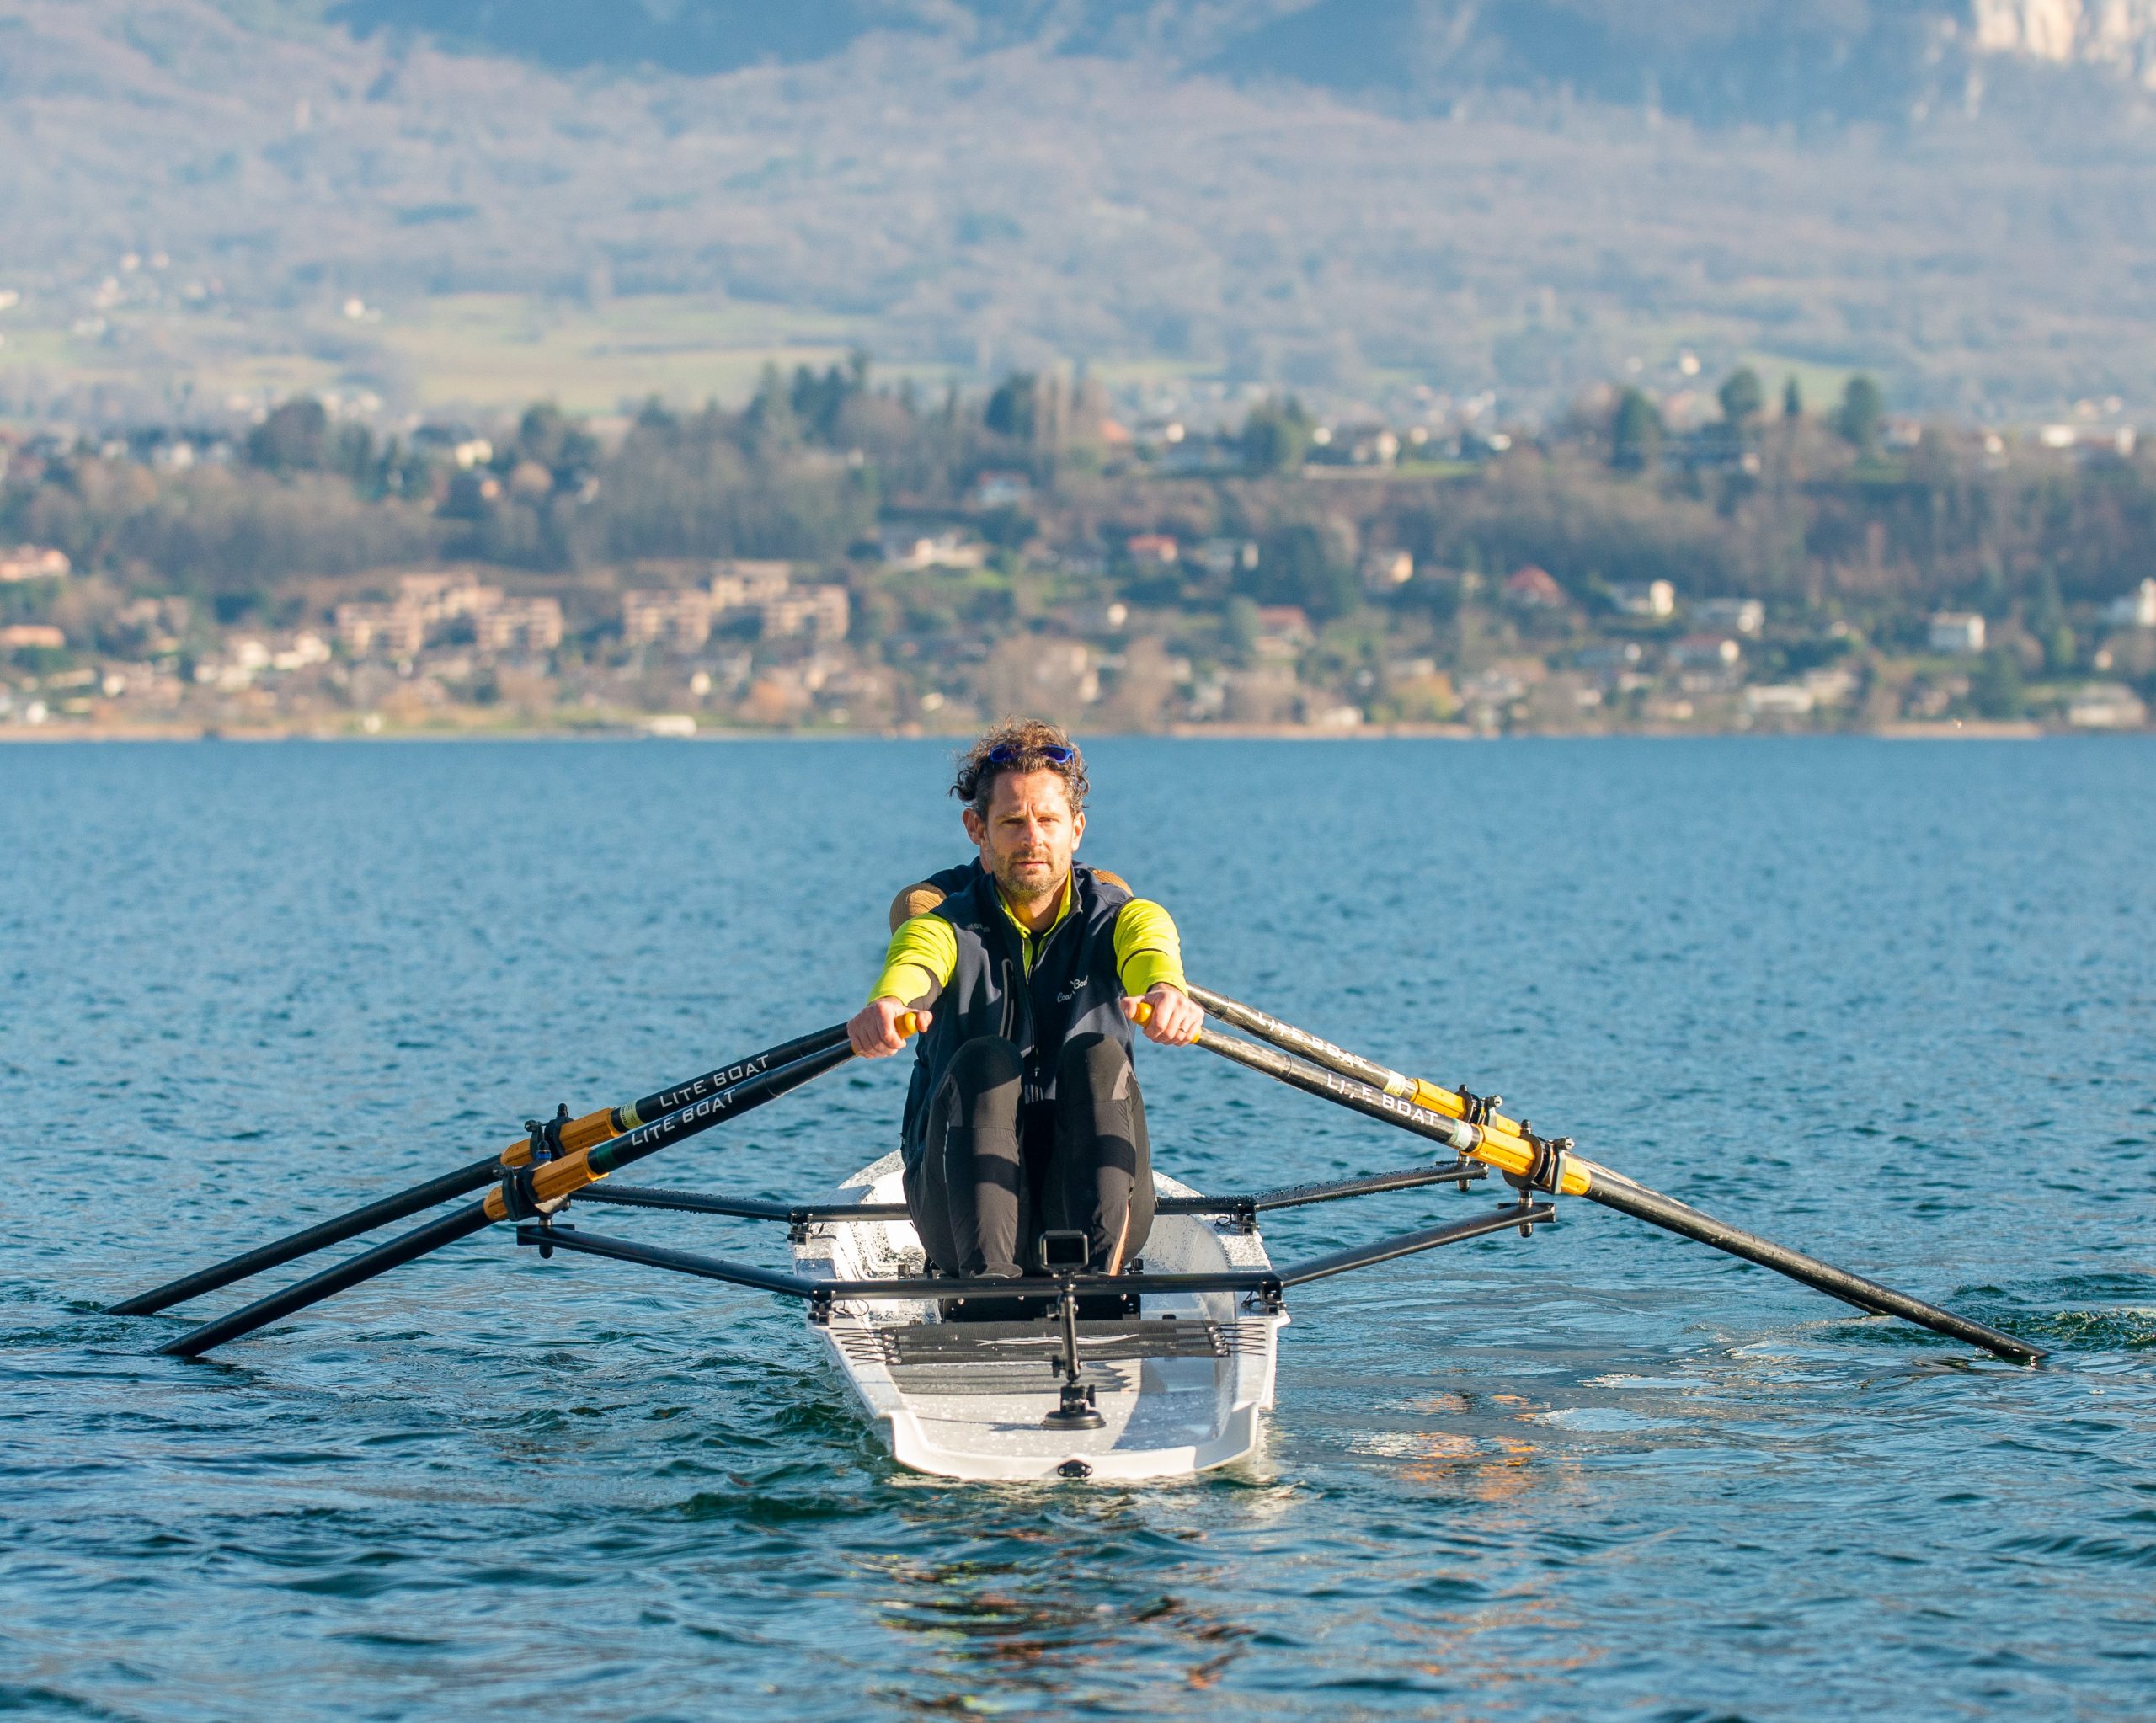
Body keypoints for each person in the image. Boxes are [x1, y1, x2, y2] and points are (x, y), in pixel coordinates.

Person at [847, 718, 1203, 1288]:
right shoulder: (943, 920)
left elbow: (1152, 950)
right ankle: (988, 1289)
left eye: (1048, 821)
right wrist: (888, 1004)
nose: (1032, 837)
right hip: (957, 1207)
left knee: (1096, 1058)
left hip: (1098, 1202)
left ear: (1077, 829)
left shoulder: (1125, 916)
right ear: (977, 829)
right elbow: (917, 959)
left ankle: (1099, 1285)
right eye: (1012, 822)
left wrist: (1167, 994)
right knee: (986, 1060)